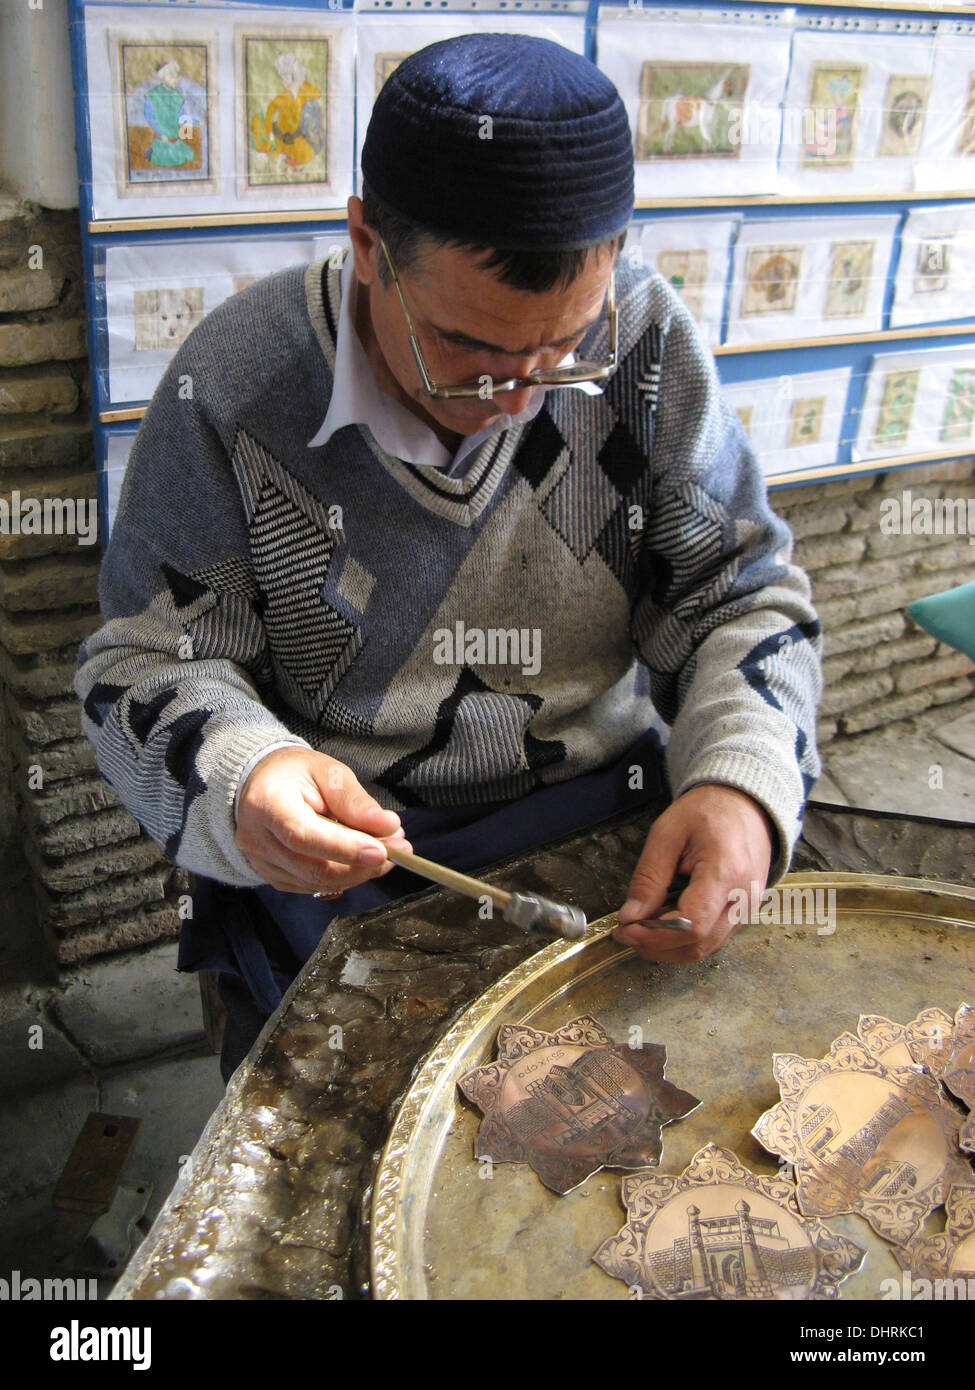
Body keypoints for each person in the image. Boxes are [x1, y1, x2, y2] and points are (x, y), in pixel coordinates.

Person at [76, 34, 822, 1082]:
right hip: (353, 859)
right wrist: (249, 774)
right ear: (369, 242)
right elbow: (143, 664)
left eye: (562, 349)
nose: (519, 398)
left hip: (607, 825)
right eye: (467, 352)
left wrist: (743, 781)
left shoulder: (643, 342)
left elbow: (738, 590)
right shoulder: (236, 389)